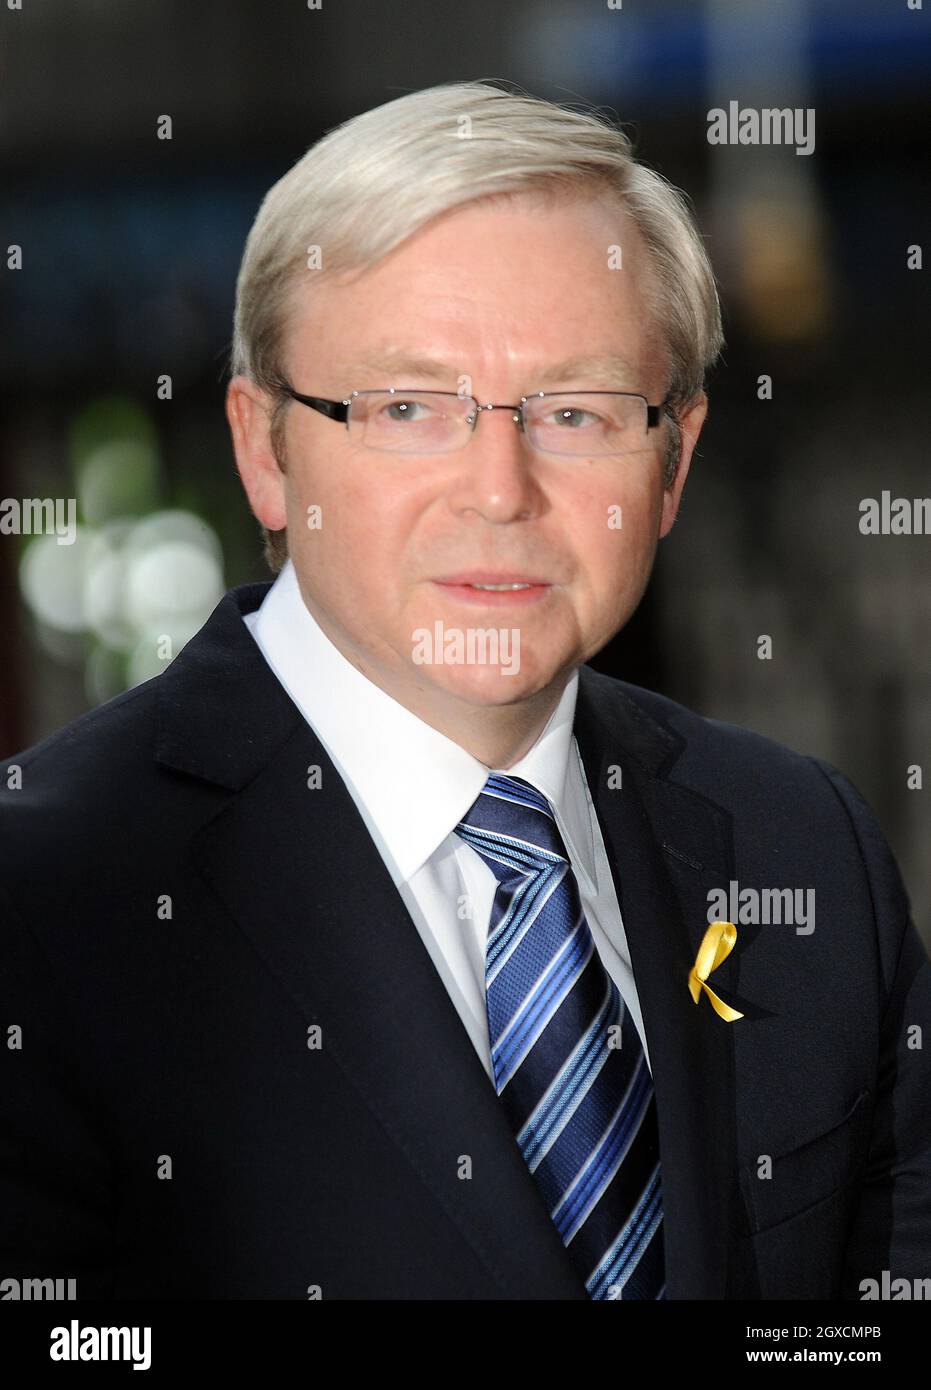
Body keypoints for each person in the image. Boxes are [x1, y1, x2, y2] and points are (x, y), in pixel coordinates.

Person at [1, 79, 929, 1302]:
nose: (499, 488)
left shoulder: (805, 847)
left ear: (672, 462)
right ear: (262, 448)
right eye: (406, 408)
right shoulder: (46, 906)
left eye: (577, 411)